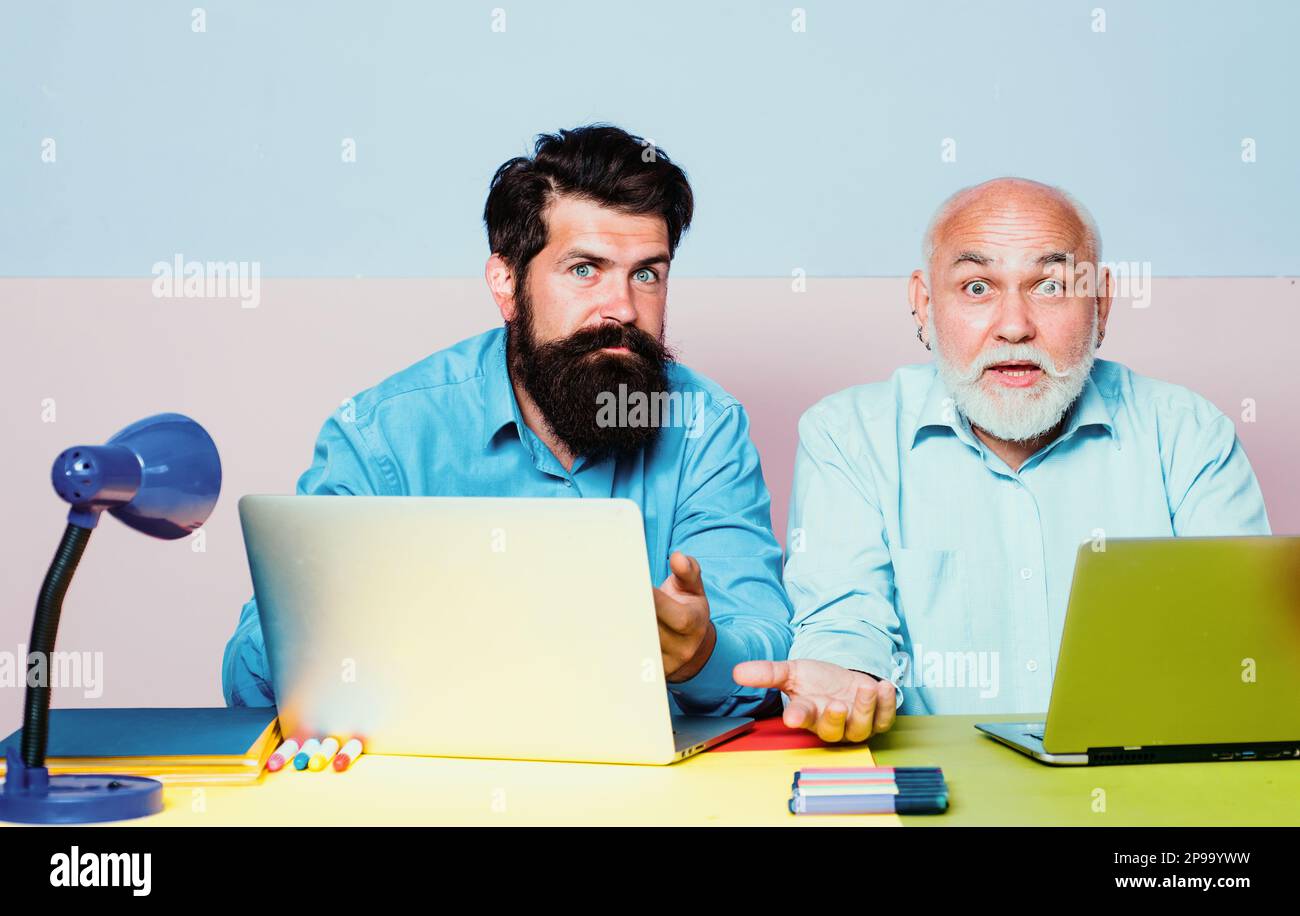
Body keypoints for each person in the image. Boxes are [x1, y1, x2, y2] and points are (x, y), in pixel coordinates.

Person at [224, 125, 792, 717]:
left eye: (646, 273)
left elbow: (767, 645)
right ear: (506, 284)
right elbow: (248, 675)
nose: (622, 308)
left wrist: (700, 653)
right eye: (584, 270)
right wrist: (327, 620)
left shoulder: (706, 428)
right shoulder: (384, 436)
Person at [735, 177, 1270, 740]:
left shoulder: (1188, 434)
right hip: (933, 793)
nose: (1014, 327)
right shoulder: (847, 435)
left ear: (1102, 303)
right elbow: (845, 620)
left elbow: (1244, 642)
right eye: (975, 288)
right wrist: (847, 679)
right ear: (923, 303)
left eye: (1050, 286)